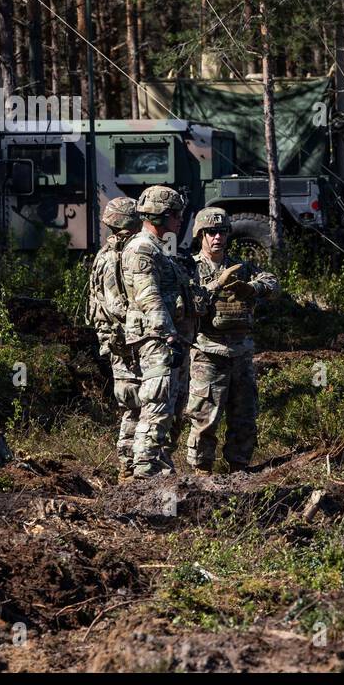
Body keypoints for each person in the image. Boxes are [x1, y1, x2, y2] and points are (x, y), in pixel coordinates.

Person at [122, 186, 223, 478]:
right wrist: (167, 335)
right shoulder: (142, 248)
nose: (181, 220)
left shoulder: (161, 248)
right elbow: (148, 296)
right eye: (176, 215)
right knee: (157, 403)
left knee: (172, 406)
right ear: (160, 216)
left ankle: (158, 463)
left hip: (174, 338)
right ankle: (144, 470)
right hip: (158, 340)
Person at [184, 207, 280, 473]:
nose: (218, 237)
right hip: (208, 354)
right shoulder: (190, 268)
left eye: (223, 232)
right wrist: (216, 286)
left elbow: (272, 284)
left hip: (241, 353)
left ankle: (240, 469)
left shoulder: (241, 266)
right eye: (211, 232)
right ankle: (201, 474)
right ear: (200, 234)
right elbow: (190, 305)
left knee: (244, 416)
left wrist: (253, 288)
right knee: (205, 418)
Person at [86, 195, 142, 480]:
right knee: (133, 404)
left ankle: (132, 466)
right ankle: (128, 468)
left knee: (135, 404)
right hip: (123, 342)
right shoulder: (113, 258)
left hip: (120, 340)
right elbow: (116, 306)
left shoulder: (108, 254)